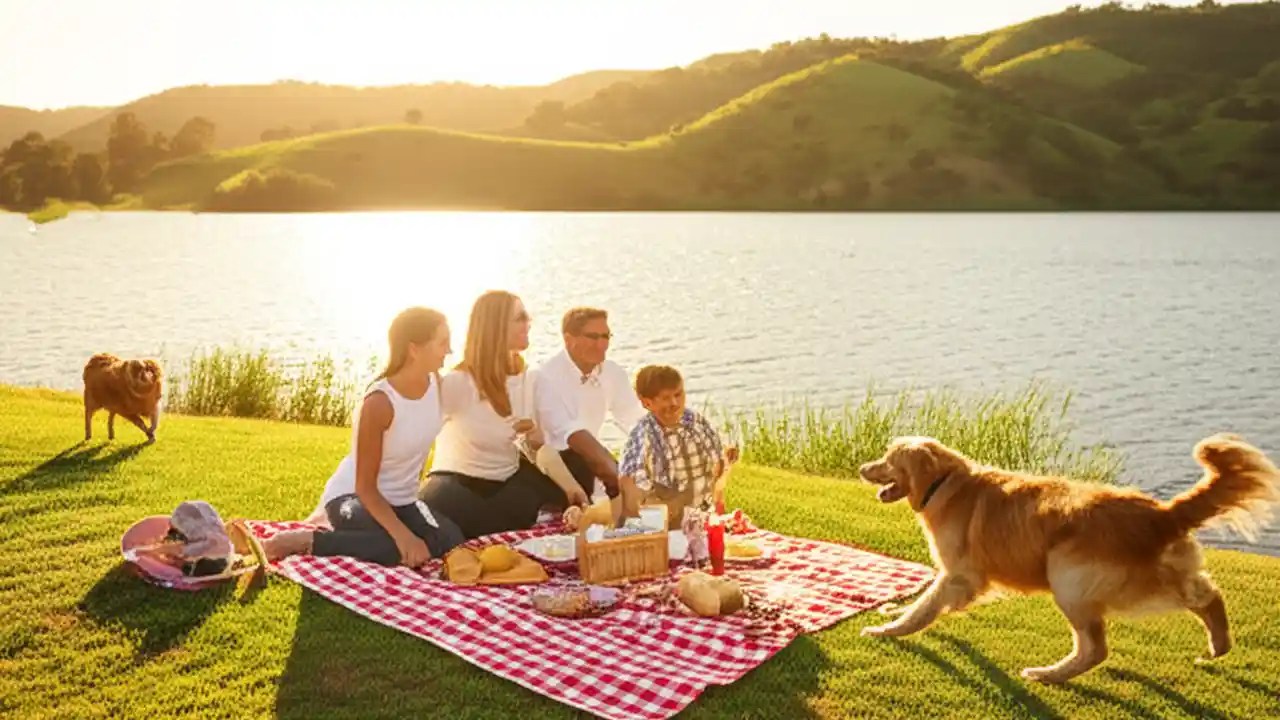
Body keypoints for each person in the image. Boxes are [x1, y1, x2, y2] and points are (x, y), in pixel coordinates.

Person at [249, 307, 464, 567]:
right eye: (442, 342)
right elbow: (365, 488)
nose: (450, 351)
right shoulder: (380, 402)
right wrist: (403, 536)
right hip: (354, 499)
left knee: (450, 539)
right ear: (414, 349)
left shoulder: (436, 384)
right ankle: (305, 541)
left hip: (403, 502)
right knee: (395, 545)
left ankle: (370, 542)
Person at [417, 291, 583, 539]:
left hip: (504, 484)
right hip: (455, 486)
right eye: (520, 317)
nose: (529, 322)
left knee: (574, 467)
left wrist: (571, 488)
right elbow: (417, 440)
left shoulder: (529, 379)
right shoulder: (458, 382)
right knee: (446, 503)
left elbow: (538, 447)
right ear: (496, 326)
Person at [532, 307, 647, 522]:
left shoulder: (612, 372)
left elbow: (634, 421)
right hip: (552, 470)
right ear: (568, 339)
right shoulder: (545, 376)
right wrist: (616, 475)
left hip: (592, 463)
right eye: (593, 337)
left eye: (606, 336)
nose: (602, 344)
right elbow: (571, 434)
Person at [616, 365, 735, 529]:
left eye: (678, 394)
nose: (675, 403)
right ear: (646, 403)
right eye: (665, 398)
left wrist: (719, 513)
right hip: (665, 525)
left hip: (703, 518)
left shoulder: (696, 422)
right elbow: (629, 485)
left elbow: (717, 468)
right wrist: (637, 527)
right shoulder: (643, 434)